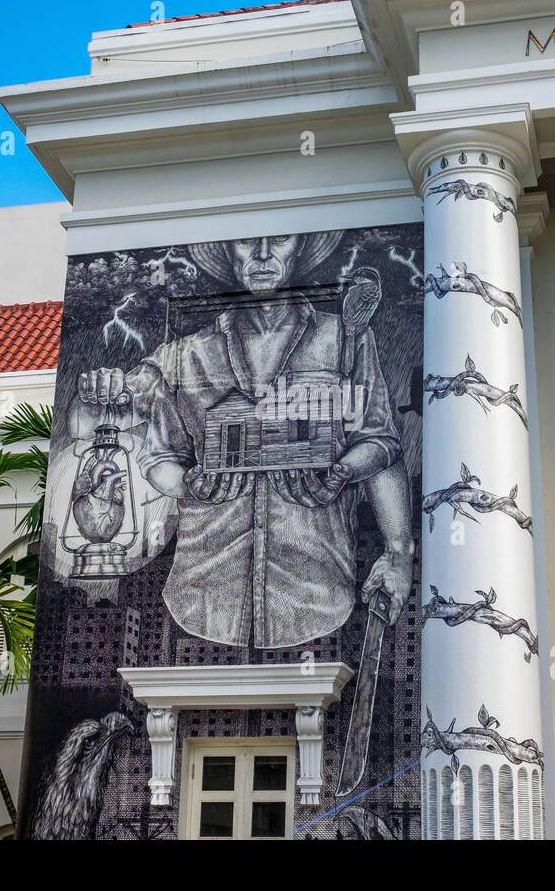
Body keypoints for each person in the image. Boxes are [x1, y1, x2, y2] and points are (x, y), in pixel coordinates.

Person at [72, 232, 414, 649]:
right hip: (200, 602)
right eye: (248, 243)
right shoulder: (183, 355)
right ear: (228, 255)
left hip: (318, 599)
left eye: (281, 240)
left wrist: (392, 543)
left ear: (301, 249)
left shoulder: (345, 338)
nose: (264, 254)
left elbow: (380, 444)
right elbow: (129, 438)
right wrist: (185, 482)